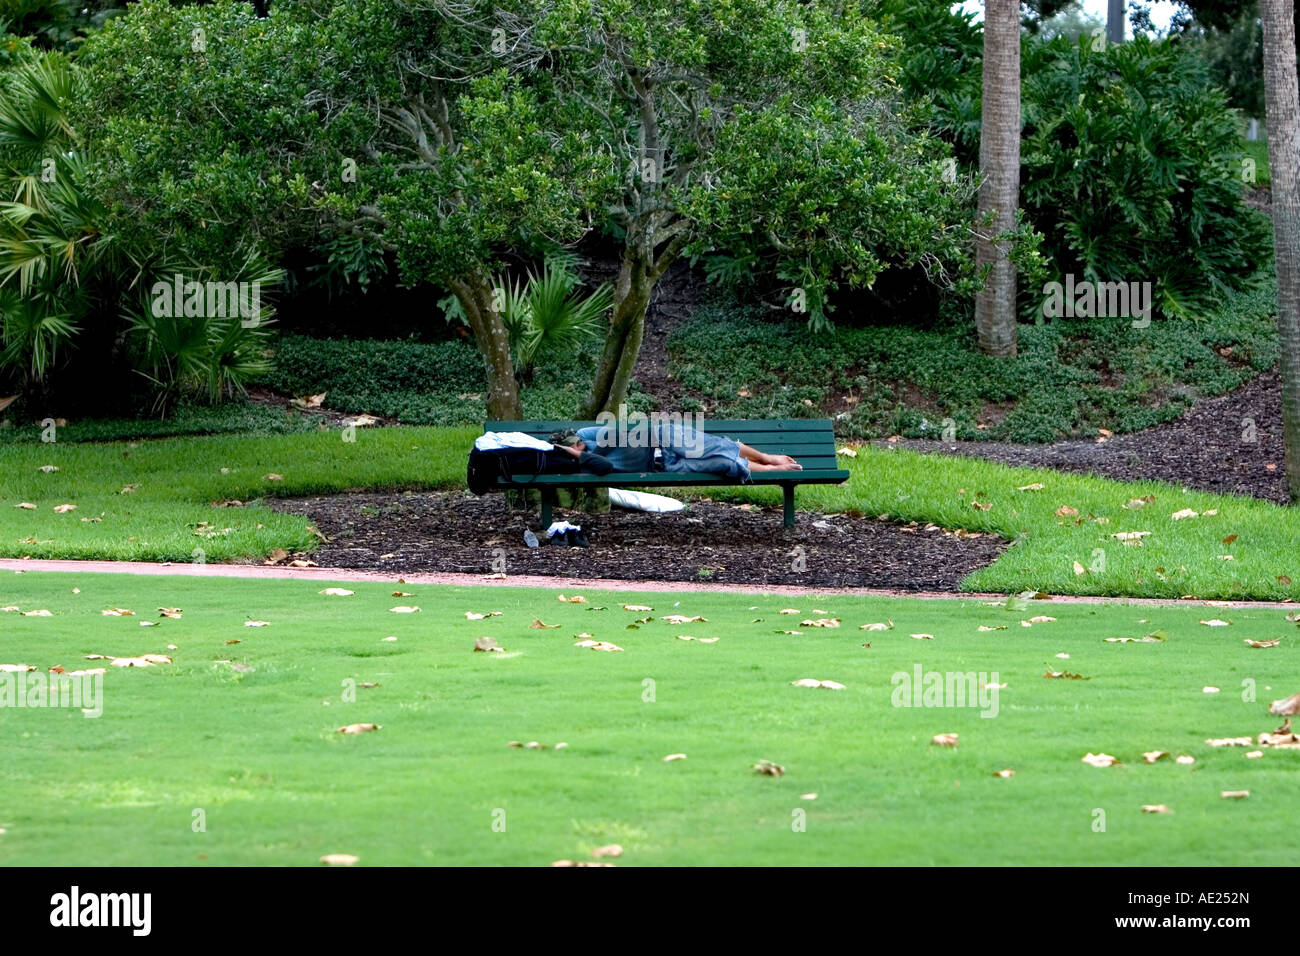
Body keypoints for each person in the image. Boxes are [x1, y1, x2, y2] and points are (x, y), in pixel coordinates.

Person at [549, 422, 801, 479]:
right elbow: (603, 468)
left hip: (662, 437)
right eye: (574, 445)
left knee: (712, 445)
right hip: (663, 466)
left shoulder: (586, 434)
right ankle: (768, 469)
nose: (578, 443)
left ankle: (767, 458)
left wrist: (590, 449)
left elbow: (622, 430)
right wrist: (581, 456)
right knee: (722, 464)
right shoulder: (581, 462)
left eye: (576, 440)